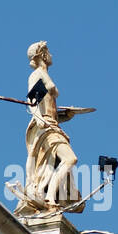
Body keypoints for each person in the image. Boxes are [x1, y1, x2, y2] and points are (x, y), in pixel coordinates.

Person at [21, 41, 80, 207]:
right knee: (70, 159)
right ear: (43, 55)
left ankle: (51, 196)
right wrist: (39, 119)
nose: (52, 55)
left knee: (62, 161)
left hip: (53, 124)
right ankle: (50, 196)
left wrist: (65, 116)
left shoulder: (44, 74)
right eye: (49, 52)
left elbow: (48, 108)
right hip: (46, 127)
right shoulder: (37, 75)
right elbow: (33, 101)